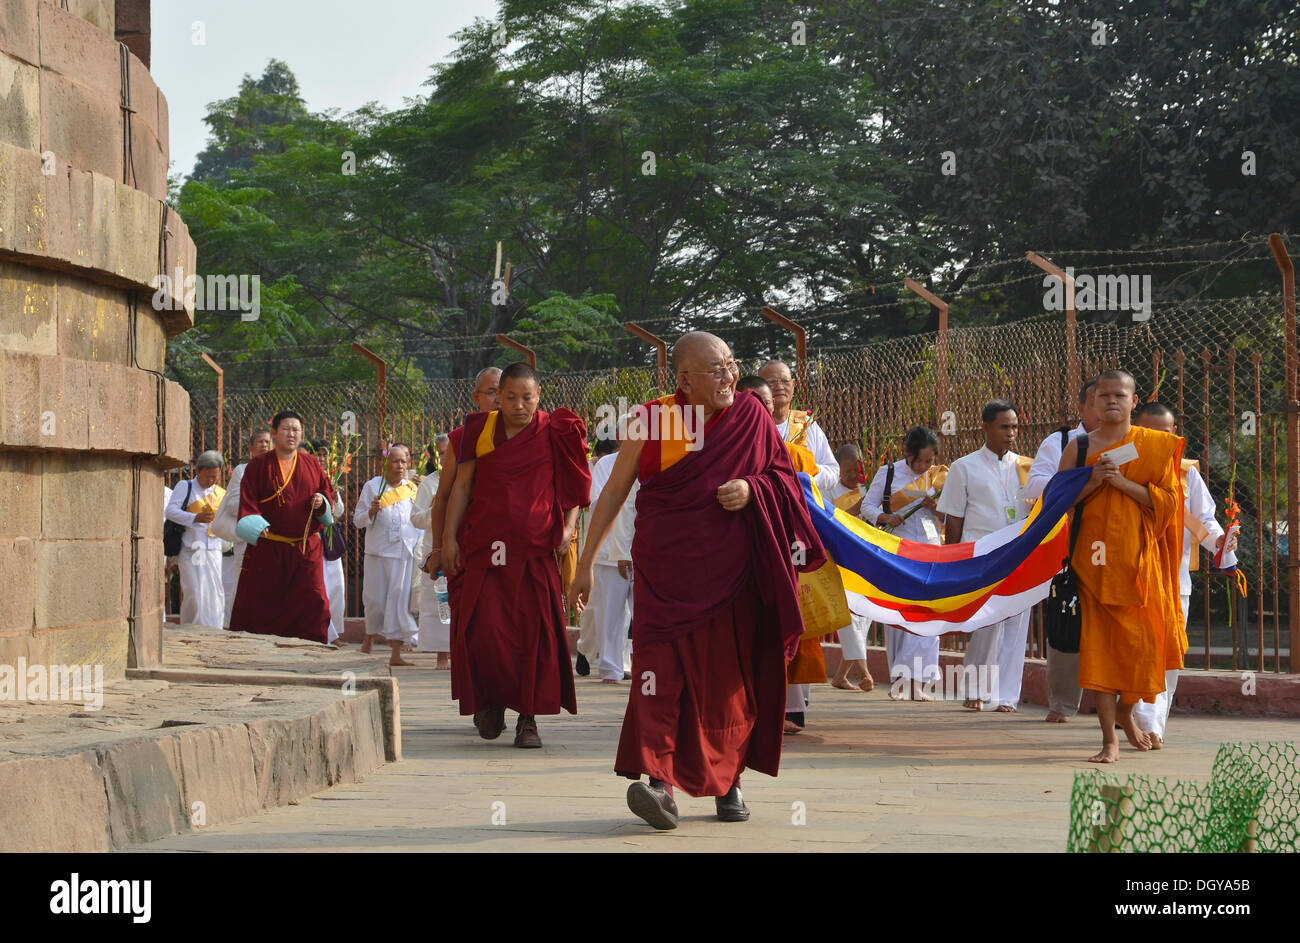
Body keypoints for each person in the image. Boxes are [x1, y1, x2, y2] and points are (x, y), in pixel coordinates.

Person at [569, 332, 825, 829]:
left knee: (726, 684)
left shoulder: (752, 414)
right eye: (715, 369)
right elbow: (614, 492)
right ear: (683, 379)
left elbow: (785, 482)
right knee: (656, 677)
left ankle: (729, 783)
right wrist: (585, 567)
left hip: (732, 579)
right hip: (666, 576)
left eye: (732, 363)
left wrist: (752, 489)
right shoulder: (655, 418)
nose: (729, 375)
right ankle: (660, 785)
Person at [443, 362, 591, 749]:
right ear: (498, 398)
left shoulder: (555, 430)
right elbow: (461, 487)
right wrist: (448, 540)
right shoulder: (481, 430)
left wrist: (569, 527)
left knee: (534, 637)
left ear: (538, 395)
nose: (519, 405)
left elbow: (575, 489)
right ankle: (491, 702)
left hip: (535, 551)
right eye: (510, 397)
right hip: (485, 549)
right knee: (484, 632)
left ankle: (529, 719)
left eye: (527, 397)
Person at [1058, 370, 1184, 763]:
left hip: (1140, 565)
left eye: (1120, 395)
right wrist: (1095, 480)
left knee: (1141, 650)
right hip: (1094, 565)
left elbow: (1168, 504)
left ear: (1133, 401)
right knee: (1101, 653)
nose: (1111, 401)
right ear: (1092, 403)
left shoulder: (1154, 446)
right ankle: (1109, 740)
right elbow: (1058, 502)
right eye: (1104, 396)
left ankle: (1128, 719)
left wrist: (1123, 483)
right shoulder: (1078, 448)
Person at [1131, 402, 1235, 748]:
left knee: (1169, 653)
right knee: (1138, 652)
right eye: (1153, 431)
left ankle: (1154, 725)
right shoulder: (1120, 463)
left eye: (1168, 431)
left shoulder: (1187, 473)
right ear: (1137, 429)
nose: (1162, 438)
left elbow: (1205, 520)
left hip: (1176, 581)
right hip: (1130, 576)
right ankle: (1139, 720)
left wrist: (1222, 542)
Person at [738, 374, 827, 732]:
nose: (766, 404)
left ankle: (786, 708)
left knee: (785, 625)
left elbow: (827, 474)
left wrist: (802, 484)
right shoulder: (717, 438)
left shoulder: (801, 434)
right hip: (738, 551)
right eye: (757, 399)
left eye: (768, 399)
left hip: (784, 546)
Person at [937, 401, 1032, 712]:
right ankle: (975, 690)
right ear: (986, 427)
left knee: (1016, 627)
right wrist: (953, 562)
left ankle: (1006, 696)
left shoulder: (1025, 467)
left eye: (1015, 427)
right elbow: (953, 519)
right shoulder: (965, 467)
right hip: (981, 557)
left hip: (1017, 555)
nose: (1011, 433)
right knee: (985, 626)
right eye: (1004, 427)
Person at [1025, 379, 1099, 722]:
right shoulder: (1062, 442)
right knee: (1067, 618)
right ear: (1081, 407)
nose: (1107, 406)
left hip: (1118, 540)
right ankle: (1063, 703)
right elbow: (1036, 485)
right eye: (1098, 400)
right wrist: (1081, 476)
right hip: (1072, 542)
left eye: (1116, 398)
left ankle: (1118, 705)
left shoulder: (1135, 442)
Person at [228, 410, 337, 643]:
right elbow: (247, 499)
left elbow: (326, 492)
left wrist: (321, 502)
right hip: (270, 546)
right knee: (263, 601)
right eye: (286, 429)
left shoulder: (311, 463)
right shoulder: (258, 466)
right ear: (274, 433)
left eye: (296, 430)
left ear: (302, 434)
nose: (291, 434)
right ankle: (260, 647)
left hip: (305, 548)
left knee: (315, 598)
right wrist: (255, 524)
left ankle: (313, 646)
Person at [863, 427, 945, 701]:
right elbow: (867, 507)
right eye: (920, 460)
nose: (925, 466)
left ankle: (919, 679)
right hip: (898, 551)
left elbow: (952, 513)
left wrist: (935, 508)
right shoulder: (889, 473)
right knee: (900, 616)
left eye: (930, 461)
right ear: (907, 455)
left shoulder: (939, 476)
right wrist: (886, 518)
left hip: (931, 549)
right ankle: (901, 679)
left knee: (928, 613)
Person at [423, 368, 501, 637]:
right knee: (475, 627)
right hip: (470, 545)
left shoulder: (526, 435)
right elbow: (442, 498)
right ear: (476, 397)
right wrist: (438, 548)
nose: (499, 399)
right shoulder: (462, 437)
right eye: (491, 392)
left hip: (514, 546)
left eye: (504, 392)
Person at [354, 444, 422, 666]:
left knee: (399, 603)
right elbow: (358, 520)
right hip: (378, 553)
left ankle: (395, 654)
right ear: (386, 463)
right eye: (395, 461)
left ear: (408, 463)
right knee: (375, 601)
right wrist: (371, 511)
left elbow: (420, 520)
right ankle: (369, 638)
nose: (399, 466)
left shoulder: (412, 488)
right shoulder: (373, 487)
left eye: (403, 461)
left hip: (404, 553)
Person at [824, 443, 875, 692]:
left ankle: (840, 676)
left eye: (858, 470)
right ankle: (864, 673)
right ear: (838, 470)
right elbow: (834, 523)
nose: (854, 476)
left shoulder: (870, 488)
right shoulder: (829, 489)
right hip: (839, 561)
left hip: (864, 560)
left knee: (864, 617)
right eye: (848, 471)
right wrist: (860, 507)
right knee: (850, 616)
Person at [211, 430, 273, 628]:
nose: (264, 445)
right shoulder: (242, 470)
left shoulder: (282, 469)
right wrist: (265, 510)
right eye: (260, 441)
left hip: (276, 539)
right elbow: (233, 504)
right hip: (249, 538)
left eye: (267, 441)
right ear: (251, 448)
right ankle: (236, 626)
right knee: (243, 584)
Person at [575, 435, 622, 678]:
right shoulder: (600, 467)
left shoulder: (641, 463)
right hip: (601, 549)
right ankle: (586, 649)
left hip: (628, 549)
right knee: (595, 609)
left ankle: (617, 663)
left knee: (624, 615)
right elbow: (593, 504)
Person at [164, 450, 227, 629]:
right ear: (198, 471)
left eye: (215, 476)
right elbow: (171, 511)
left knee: (214, 592)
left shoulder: (220, 493)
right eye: (208, 476)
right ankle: (191, 628)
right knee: (195, 591)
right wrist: (194, 518)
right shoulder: (186, 487)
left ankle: (214, 628)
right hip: (192, 547)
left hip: (213, 548)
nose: (211, 481)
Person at [412, 435, 452, 668]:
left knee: (461, 600)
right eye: (442, 452)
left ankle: (460, 652)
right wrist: (434, 508)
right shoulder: (430, 483)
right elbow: (416, 519)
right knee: (437, 599)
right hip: (434, 548)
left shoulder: (466, 478)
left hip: (459, 546)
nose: (446, 456)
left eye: (450, 451)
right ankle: (440, 655)